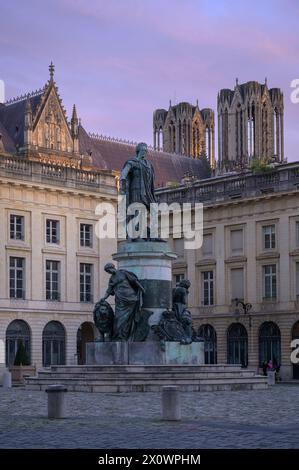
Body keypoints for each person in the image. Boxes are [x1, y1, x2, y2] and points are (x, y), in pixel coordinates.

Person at [100, 263, 145, 341]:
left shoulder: (123, 273)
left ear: (112, 267)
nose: (108, 272)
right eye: (107, 271)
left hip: (130, 297)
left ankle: (124, 336)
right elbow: (109, 290)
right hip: (120, 300)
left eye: (108, 270)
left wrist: (141, 288)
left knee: (128, 318)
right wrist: (104, 298)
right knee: (118, 318)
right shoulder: (111, 279)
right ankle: (120, 336)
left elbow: (134, 281)